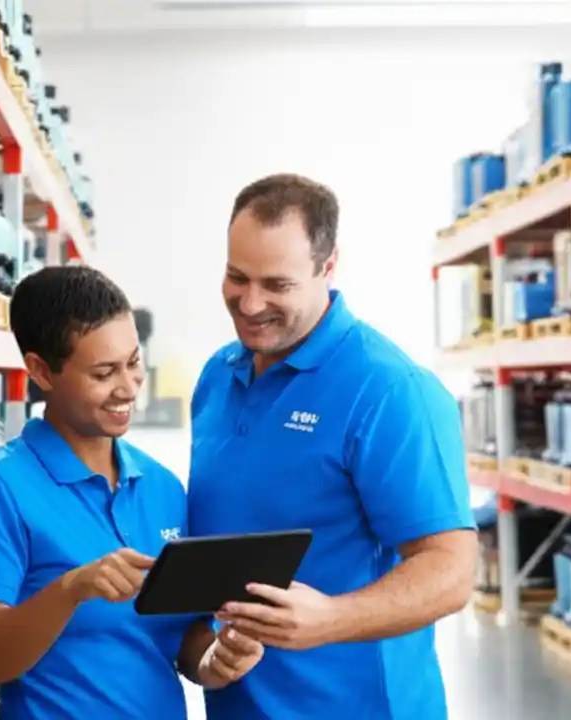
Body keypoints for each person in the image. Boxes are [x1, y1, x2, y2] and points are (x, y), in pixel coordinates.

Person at [187, 173, 478, 719]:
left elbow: (451, 569)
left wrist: (330, 619)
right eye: (236, 277)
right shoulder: (217, 377)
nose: (250, 304)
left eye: (277, 285)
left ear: (327, 267)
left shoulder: (390, 391)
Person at [0, 265, 264, 719]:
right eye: (103, 373)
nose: (128, 387)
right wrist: (71, 588)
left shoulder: (162, 488)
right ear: (41, 371)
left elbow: (178, 636)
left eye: (133, 363)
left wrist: (214, 659)